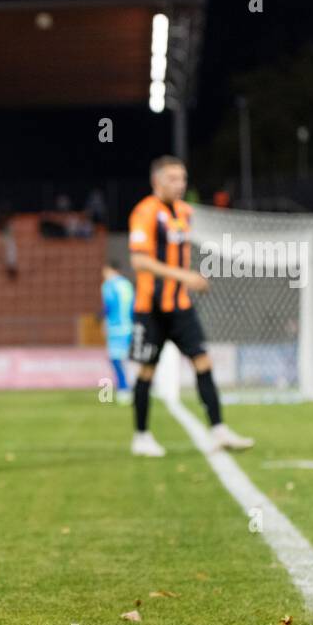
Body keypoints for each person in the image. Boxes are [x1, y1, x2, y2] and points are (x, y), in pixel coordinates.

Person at [127, 156, 253, 457]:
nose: (180, 184)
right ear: (157, 181)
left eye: (183, 178)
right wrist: (185, 276)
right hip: (151, 309)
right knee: (146, 371)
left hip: (180, 305)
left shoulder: (185, 212)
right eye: (173, 178)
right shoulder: (144, 212)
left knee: (202, 362)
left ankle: (219, 429)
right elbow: (139, 260)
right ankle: (141, 436)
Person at [100, 263, 134, 405]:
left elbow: (110, 305)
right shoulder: (127, 285)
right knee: (131, 358)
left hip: (116, 327)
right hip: (130, 326)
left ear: (111, 270)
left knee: (115, 359)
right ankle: (134, 387)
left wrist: (101, 318)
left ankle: (124, 389)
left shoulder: (108, 285)